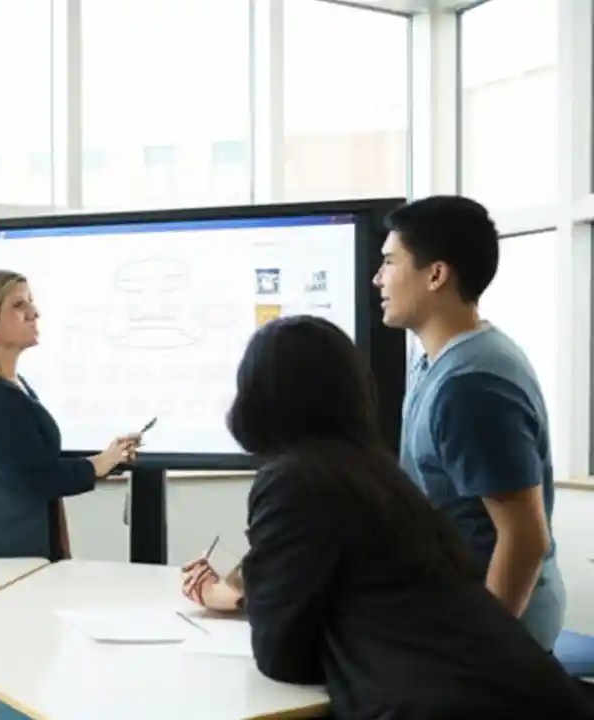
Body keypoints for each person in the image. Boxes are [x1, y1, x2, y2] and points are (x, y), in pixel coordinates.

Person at [180, 315, 593, 718]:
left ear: (256, 397)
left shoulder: (293, 481)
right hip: (526, 691)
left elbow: (283, 658)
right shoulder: (381, 480)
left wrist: (248, 600)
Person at [372, 195, 564, 650]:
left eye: (389, 262)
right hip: (455, 610)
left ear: (436, 274)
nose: (378, 278)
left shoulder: (472, 386)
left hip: (493, 629)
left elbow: (524, 537)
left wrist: (486, 652)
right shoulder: (436, 363)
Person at [0, 270, 139, 560]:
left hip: (14, 542)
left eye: (30, 302)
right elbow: (34, 476)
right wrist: (99, 463)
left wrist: (108, 458)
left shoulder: (9, 385)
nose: (35, 313)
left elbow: (32, 457)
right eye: (20, 305)